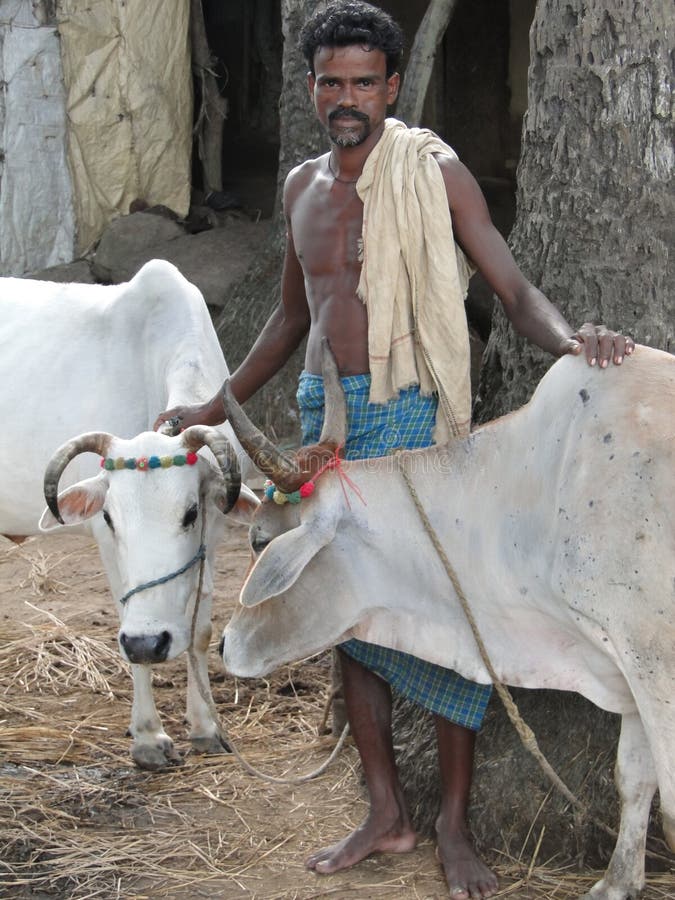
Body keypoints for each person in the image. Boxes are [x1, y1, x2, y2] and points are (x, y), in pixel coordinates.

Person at [155, 3, 634, 897]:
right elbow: (291, 317)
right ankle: (387, 813)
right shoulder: (299, 187)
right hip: (321, 414)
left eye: (363, 83)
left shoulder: (432, 170)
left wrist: (569, 344)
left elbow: (509, 280)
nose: (347, 98)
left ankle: (452, 826)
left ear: (390, 86)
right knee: (348, 614)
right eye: (331, 82)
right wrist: (214, 405)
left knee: (444, 613)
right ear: (310, 88)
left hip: (409, 410)